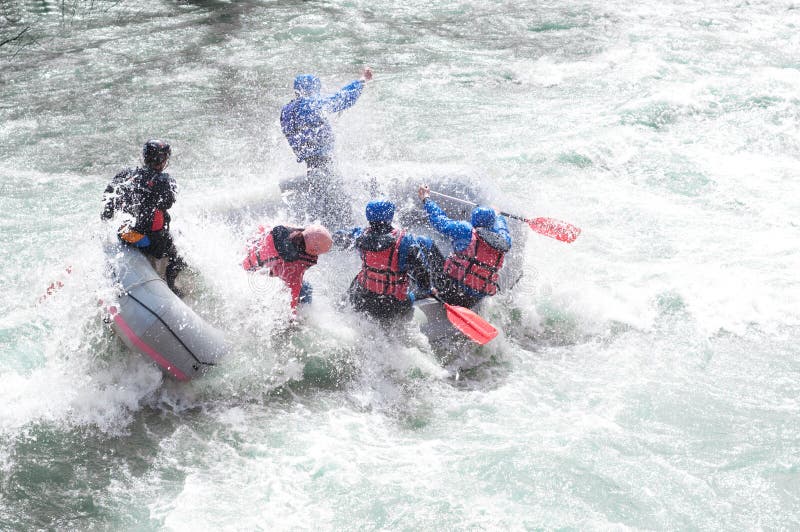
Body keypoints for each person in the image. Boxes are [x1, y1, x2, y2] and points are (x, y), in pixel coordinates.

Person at [279, 67, 373, 229]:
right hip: (325, 165)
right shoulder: (311, 104)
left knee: (323, 205)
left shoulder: (286, 111)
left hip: (311, 166)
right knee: (340, 208)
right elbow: (343, 98)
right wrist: (362, 80)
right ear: (312, 89)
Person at [101, 140, 186, 296]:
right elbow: (168, 202)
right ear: (163, 161)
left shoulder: (126, 175)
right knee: (179, 257)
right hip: (153, 243)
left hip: (130, 236)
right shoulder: (165, 180)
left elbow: (108, 202)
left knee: (125, 226)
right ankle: (172, 286)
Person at [335, 200, 436, 323]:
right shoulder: (406, 241)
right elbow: (422, 274)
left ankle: (341, 307)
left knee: (358, 280)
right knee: (413, 294)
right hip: (391, 305)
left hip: (363, 299)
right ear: (391, 216)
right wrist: (428, 289)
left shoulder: (360, 235)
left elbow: (339, 237)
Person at [417, 184, 512, 309]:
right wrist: (498, 215)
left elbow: (439, 220)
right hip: (476, 299)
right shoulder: (504, 241)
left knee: (424, 242)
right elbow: (502, 228)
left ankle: (425, 288)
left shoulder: (466, 231)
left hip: (451, 291)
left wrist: (426, 199)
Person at [242, 223, 333, 310]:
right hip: (257, 275)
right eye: (319, 253)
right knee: (306, 289)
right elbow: (294, 287)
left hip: (248, 256)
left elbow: (262, 229)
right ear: (313, 250)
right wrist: (292, 317)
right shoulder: (296, 261)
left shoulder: (289, 232)